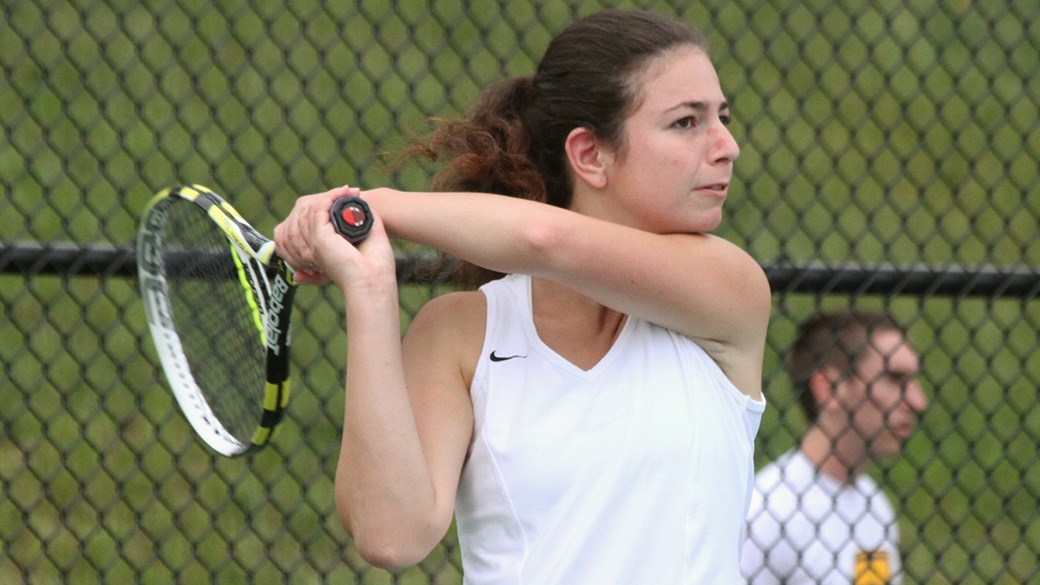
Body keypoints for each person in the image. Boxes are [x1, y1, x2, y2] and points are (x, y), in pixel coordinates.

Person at [275, 9, 771, 583]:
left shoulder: (729, 291)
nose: (727, 145)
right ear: (590, 155)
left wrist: (371, 207)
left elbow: (544, 238)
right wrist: (368, 288)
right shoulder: (458, 333)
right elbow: (392, 534)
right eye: (686, 122)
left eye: (722, 117)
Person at [741, 310, 928, 585]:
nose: (917, 401)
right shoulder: (766, 513)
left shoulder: (874, 505)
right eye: (894, 378)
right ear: (828, 387)